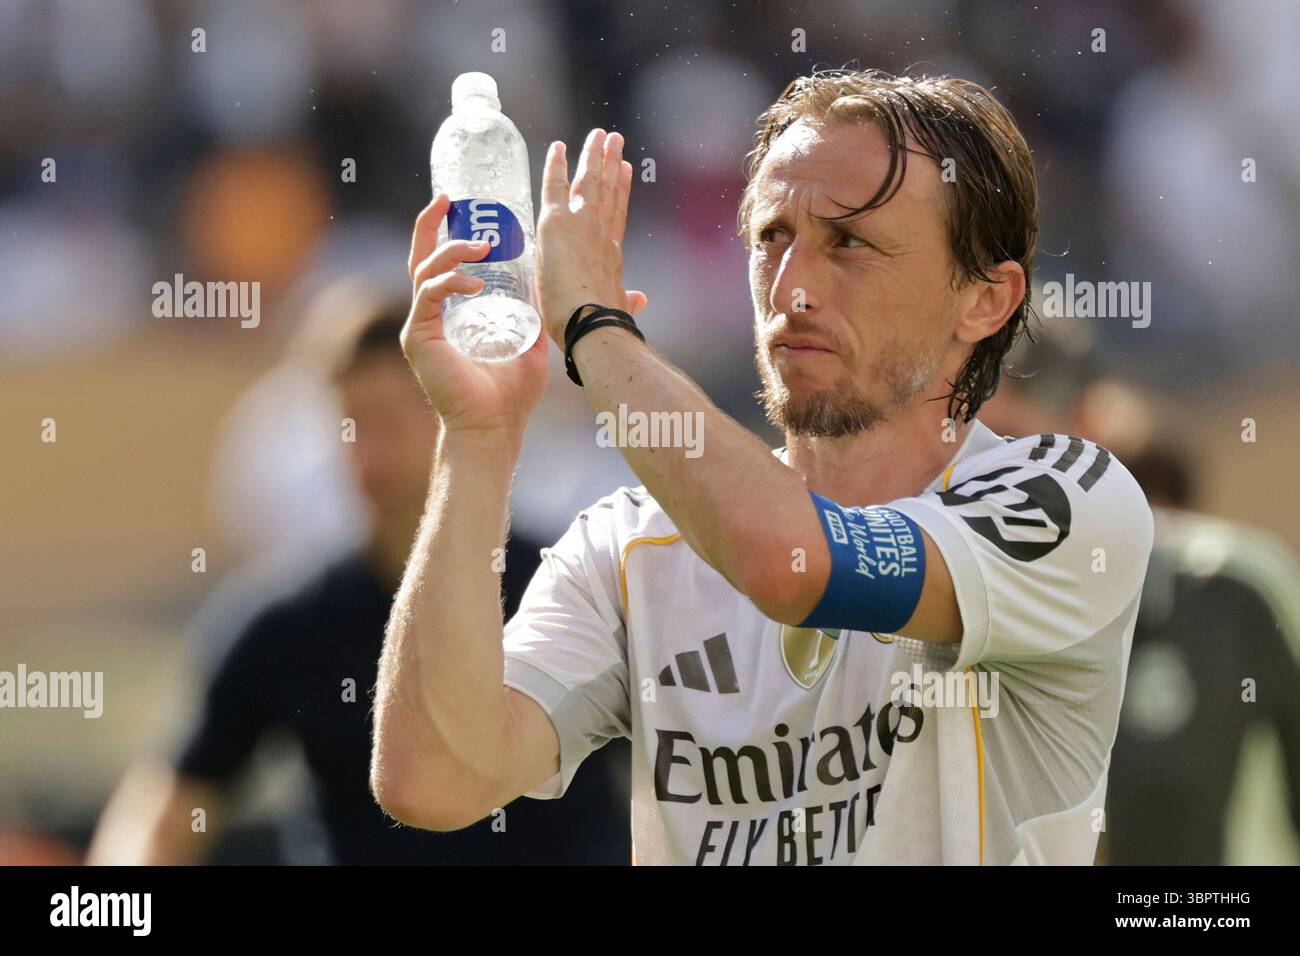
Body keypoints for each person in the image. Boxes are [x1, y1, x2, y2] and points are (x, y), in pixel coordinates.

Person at [372, 69, 1154, 865]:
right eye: (773, 237)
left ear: (985, 299)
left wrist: (594, 327)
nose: (792, 289)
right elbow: (433, 781)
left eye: (851, 242)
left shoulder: (1064, 498)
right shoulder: (630, 542)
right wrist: (477, 436)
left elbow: (789, 565)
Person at [88, 282, 631, 865]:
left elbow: (677, 775)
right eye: (351, 424)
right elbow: (164, 813)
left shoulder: (569, 589)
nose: (368, 456)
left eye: (389, 421)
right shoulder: (286, 620)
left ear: (454, 405)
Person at [981, 329, 1300, 865]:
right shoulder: (926, 621)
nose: (983, 479)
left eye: (1011, 439)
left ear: (1088, 427)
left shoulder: (1234, 590)